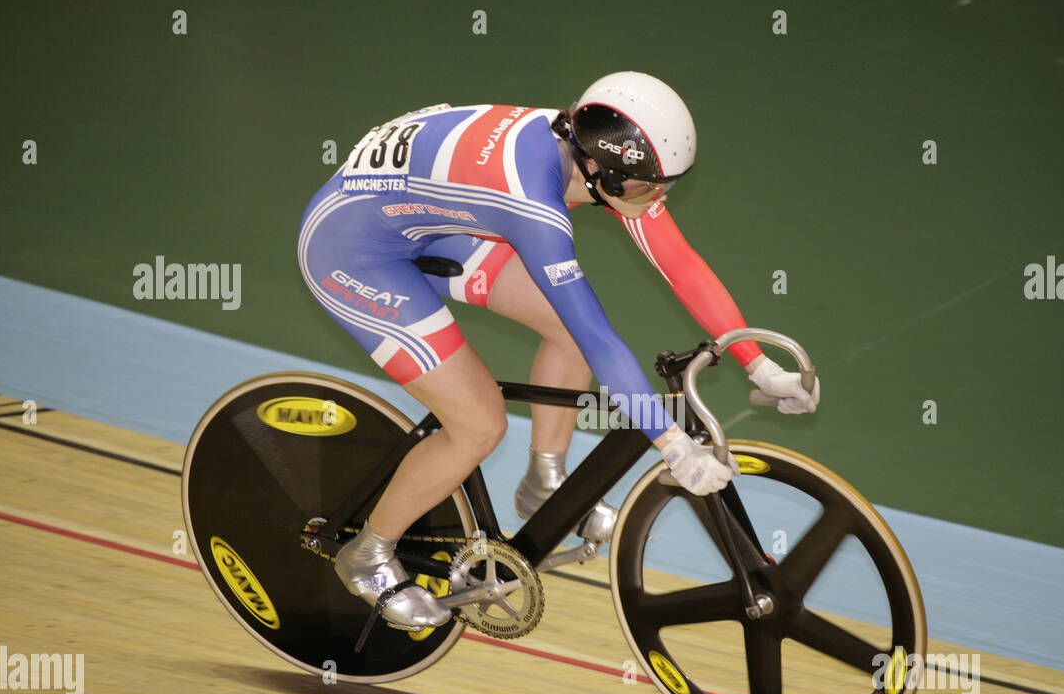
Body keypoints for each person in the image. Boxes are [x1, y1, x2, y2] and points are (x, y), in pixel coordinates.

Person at [296, 72, 819, 630]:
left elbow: (682, 266)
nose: (654, 200)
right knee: (478, 424)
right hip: (351, 250)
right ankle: (369, 553)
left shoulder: (585, 147)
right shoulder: (531, 199)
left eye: (664, 187)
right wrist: (671, 445)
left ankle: (544, 483)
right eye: (644, 189)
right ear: (597, 168)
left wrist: (759, 366)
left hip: (429, 218)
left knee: (566, 332)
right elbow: (598, 336)